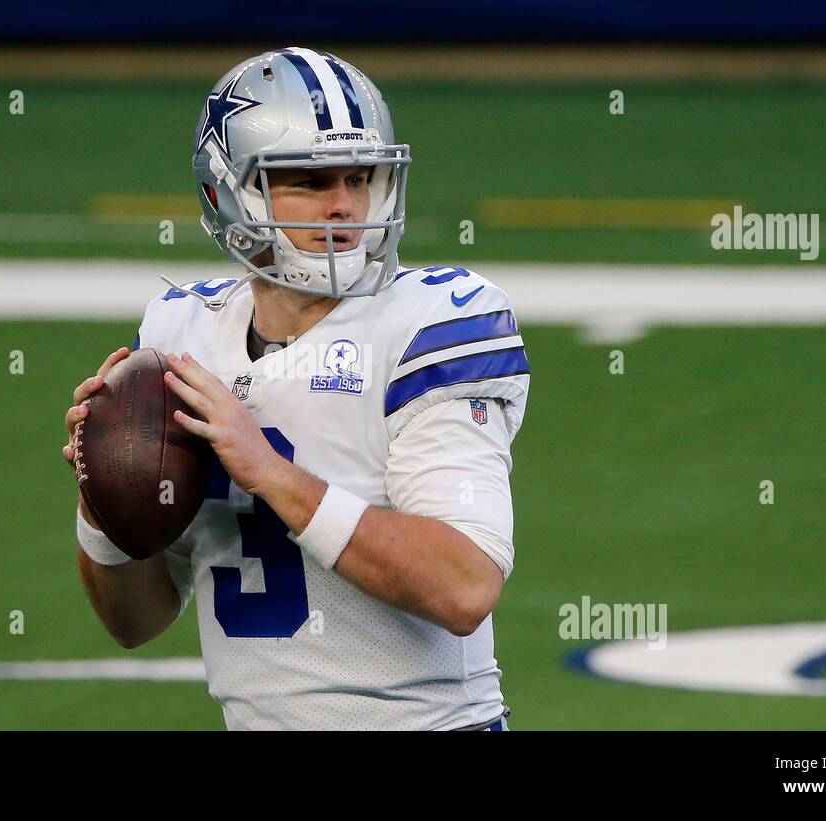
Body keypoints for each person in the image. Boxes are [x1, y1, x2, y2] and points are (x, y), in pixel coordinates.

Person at [62, 46, 529, 730]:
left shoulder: (433, 324)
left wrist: (273, 474)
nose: (345, 204)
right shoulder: (182, 331)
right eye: (308, 180)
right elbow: (136, 621)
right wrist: (106, 503)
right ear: (230, 191)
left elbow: (463, 586)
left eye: (360, 176)